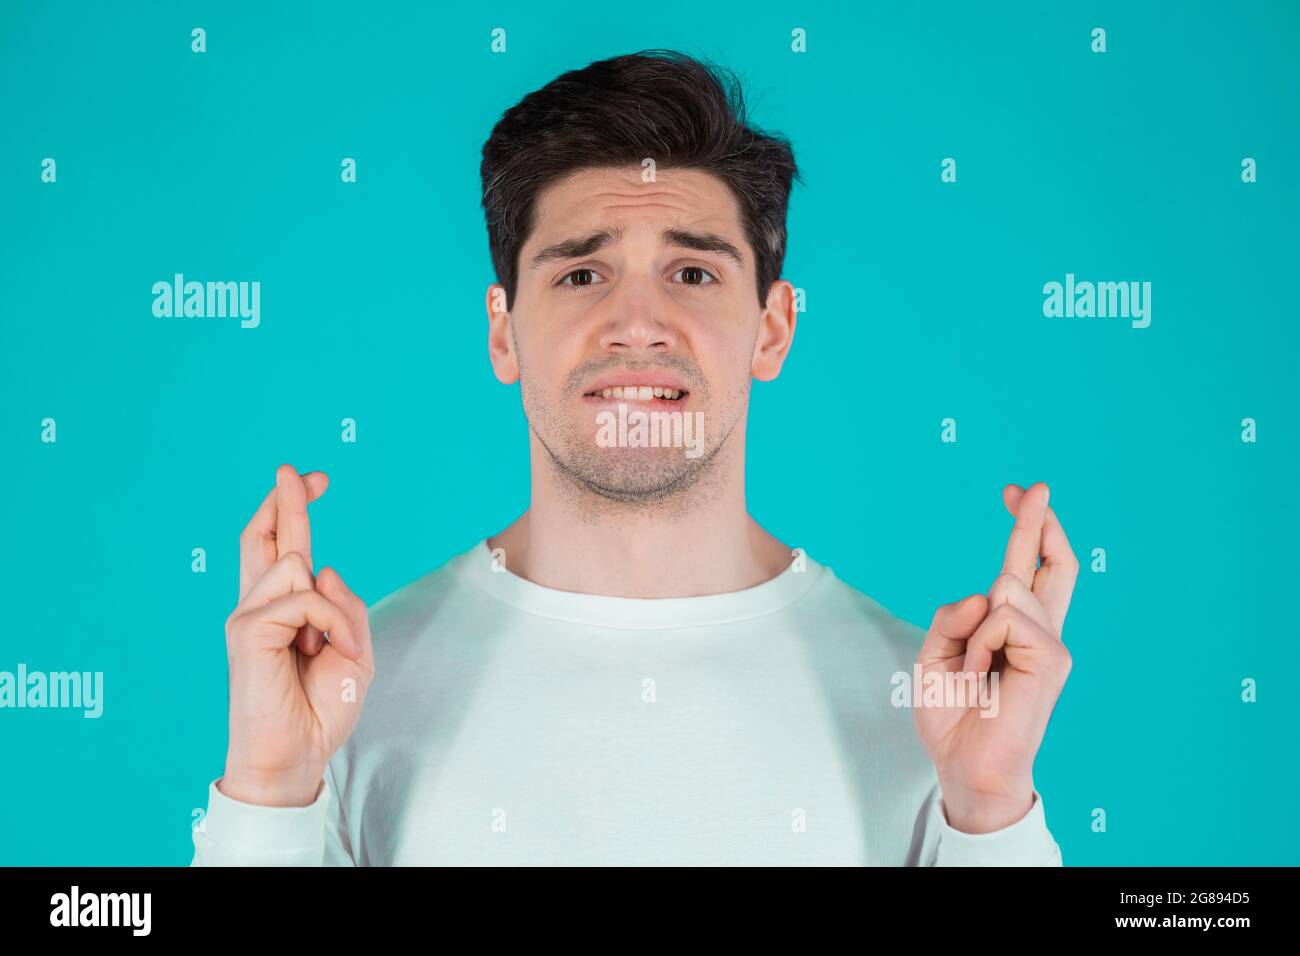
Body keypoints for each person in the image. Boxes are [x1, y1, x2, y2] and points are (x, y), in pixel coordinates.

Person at [192, 49, 1075, 866]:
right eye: (582, 274)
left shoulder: (930, 712)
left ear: (773, 329)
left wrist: (990, 805)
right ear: (503, 334)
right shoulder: (342, 696)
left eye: (693, 273)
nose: (637, 325)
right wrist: (269, 789)